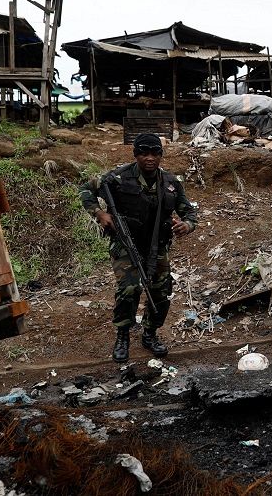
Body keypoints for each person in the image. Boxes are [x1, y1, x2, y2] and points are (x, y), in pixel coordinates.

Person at [79, 133, 197, 362]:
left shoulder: (171, 183)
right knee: (129, 289)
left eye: (155, 153)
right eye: (144, 153)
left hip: (157, 246)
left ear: (161, 155)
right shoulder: (118, 177)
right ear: (136, 155)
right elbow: (86, 189)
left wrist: (187, 225)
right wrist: (100, 213)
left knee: (161, 292)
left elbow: (189, 211)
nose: (149, 158)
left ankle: (150, 334)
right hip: (125, 243)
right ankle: (122, 336)